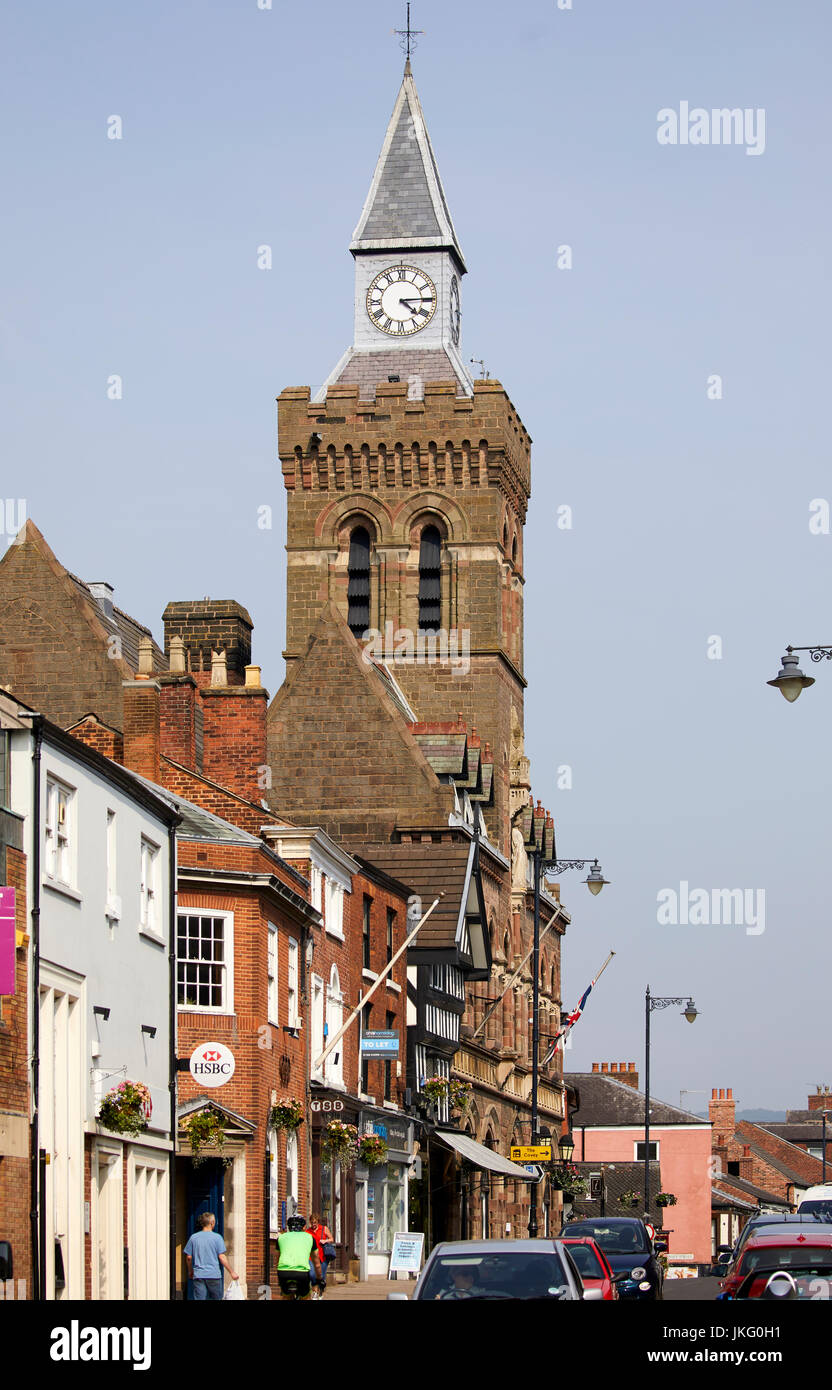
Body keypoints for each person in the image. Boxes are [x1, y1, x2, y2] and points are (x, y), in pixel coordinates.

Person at [184, 1211, 239, 1301]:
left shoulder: (193, 1237)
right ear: (212, 1223)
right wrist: (231, 1272)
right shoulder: (217, 1238)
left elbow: (189, 1257)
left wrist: (190, 1271)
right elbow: (221, 1257)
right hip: (214, 1275)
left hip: (199, 1275)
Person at [277, 1215, 322, 1300]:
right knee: (305, 1297)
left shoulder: (281, 1238)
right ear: (304, 1227)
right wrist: (319, 1278)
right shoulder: (310, 1238)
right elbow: (317, 1264)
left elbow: (277, 1259)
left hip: (283, 1272)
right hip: (302, 1273)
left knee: (286, 1296)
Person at [307, 1212, 334, 1299]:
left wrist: (325, 1241)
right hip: (311, 1257)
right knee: (312, 1275)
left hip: (322, 1257)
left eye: (315, 1222)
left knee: (321, 1276)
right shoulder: (307, 1231)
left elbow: (331, 1239)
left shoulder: (324, 1229)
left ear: (318, 1222)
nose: (313, 1224)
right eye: (312, 1222)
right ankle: (315, 1292)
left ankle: (320, 1290)